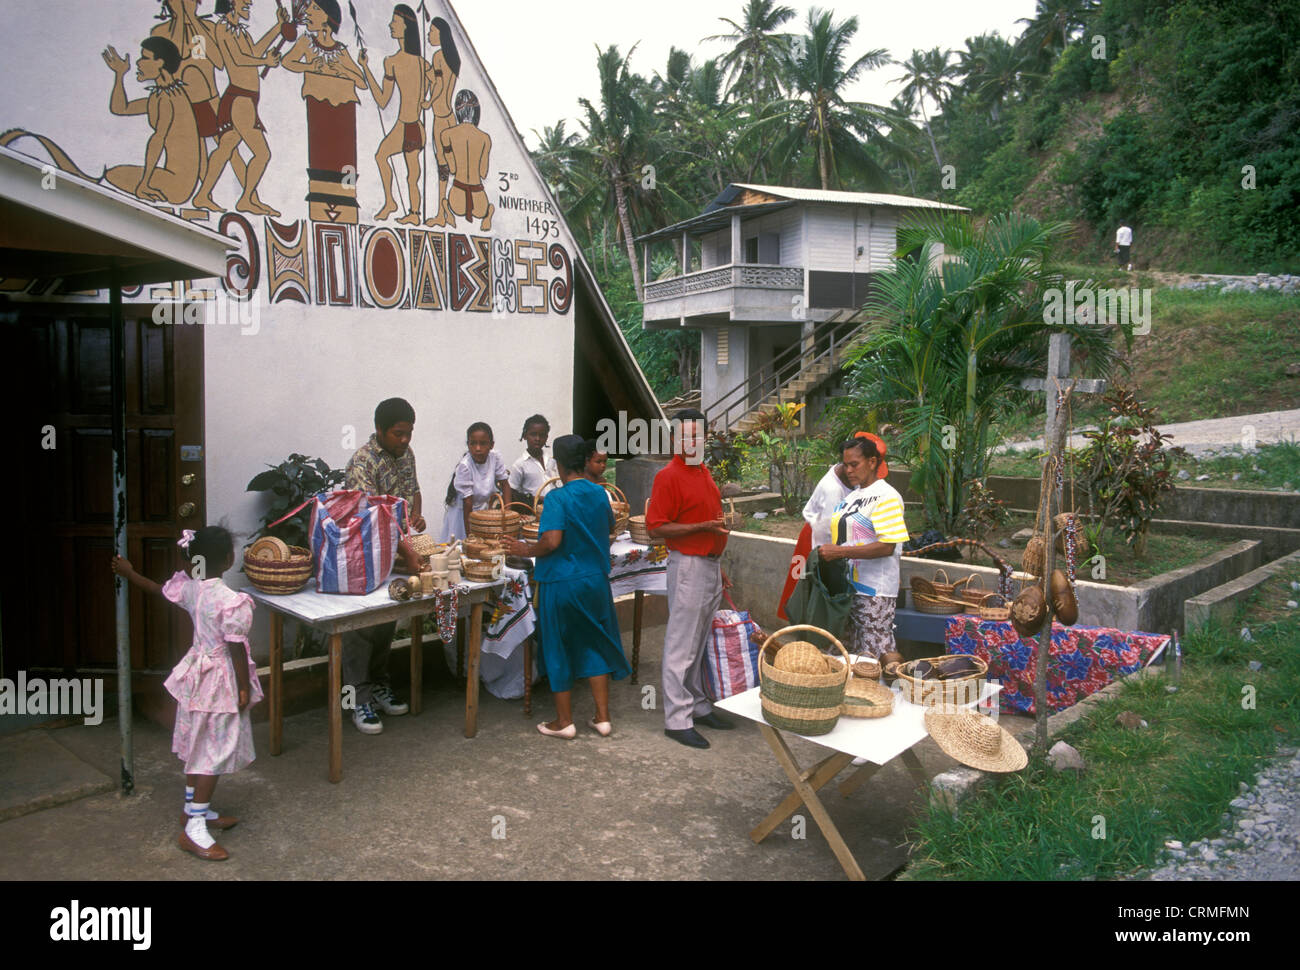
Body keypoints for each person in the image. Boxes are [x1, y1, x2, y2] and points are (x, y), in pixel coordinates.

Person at [112, 526, 260, 861]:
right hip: (219, 681)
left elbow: (156, 589)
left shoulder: (192, 590)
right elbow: (236, 650)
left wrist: (129, 572)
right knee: (214, 751)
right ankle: (194, 827)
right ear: (229, 559)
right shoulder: (230, 602)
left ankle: (193, 807)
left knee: (199, 743)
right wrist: (241, 686)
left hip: (196, 677)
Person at [503, 436, 630, 739]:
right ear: (586, 461)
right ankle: (602, 717)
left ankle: (564, 722)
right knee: (594, 642)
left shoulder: (557, 498)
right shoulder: (600, 494)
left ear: (557, 464)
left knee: (558, 646)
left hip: (562, 582)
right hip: (595, 581)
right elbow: (610, 528)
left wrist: (523, 549)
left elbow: (551, 542)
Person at [646, 409, 734, 749]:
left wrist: (717, 564)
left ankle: (697, 706)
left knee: (698, 644)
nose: (693, 441)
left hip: (708, 565)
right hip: (688, 566)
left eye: (698, 436)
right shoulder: (669, 475)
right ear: (674, 439)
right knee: (682, 644)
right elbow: (656, 527)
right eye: (686, 436)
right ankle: (676, 719)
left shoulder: (703, 472)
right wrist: (701, 530)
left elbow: (710, 524)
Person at [341, 397, 425, 734]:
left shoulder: (406, 454)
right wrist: (411, 553)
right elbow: (378, 517)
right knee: (360, 626)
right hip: (362, 555)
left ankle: (377, 683)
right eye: (398, 434)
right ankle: (356, 699)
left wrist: (416, 515)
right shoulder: (362, 463)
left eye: (409, 433)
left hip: (393, 553)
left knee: (386, 620)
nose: (404, 440)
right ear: (379, 430)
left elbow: (413, 492)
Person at [778, 432, 889, 620]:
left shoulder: (849, 474)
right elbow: (828, 538)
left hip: (830, 538)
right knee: (810, 594)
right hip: (817, 540)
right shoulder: (833, 491)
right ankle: (808, 634)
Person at [191, 0, 285, 216]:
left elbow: (254, 51)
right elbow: (237, 59)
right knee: (262, 153)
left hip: (246, 97)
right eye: (245, 1)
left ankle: (202, 195)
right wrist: (264, 61)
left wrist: (277, 28)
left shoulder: (239, 31)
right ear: (231, 2)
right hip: (240, 99)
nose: (249, 4)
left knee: (225, 148)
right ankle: (246, 199)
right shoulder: (223, 28)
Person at [820, 437, 910, 660]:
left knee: (875, 655)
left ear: (872, 462)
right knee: (843, 654)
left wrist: (839, 552)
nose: (848, 470)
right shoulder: (852, 497)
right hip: (847, 590)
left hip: (873, 592)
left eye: (854, 464)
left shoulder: (886, 496)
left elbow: (887, 546)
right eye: (845, 465)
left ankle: (883, 694)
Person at [280, 0, 366, 224]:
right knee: (321, 158)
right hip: (319, 108)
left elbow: (362, 82)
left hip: (344, 112)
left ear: (328, 16)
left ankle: (346, 206)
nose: (308, 12)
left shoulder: (340, 51)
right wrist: (311, 67)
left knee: (346, 161)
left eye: (315, 8)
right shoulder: (307, 42)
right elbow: (287, 61)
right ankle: (321, 208)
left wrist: (343, 70)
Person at [101, 37, 201, 204]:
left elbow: (158, 139)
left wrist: (144, 184)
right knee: (114, 174)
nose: (139, 63)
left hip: (178, 187)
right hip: (173, 179)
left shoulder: (169, 98)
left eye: (145, 58)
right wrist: (119, 75)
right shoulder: (160, 94)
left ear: (160, 63)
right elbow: (121, 109)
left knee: (113, 175)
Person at [358, 4, 424, 225]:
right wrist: (366, 69)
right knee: (385, 158)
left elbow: (382, 100)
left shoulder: (410, 63)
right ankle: (397, 205)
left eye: (395, 22)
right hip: (405, 124)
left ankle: (409, 210)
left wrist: (430, 100)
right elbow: (383, 100)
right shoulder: (395, 62)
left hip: (410, 124)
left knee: (410, 173)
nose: (390, 25)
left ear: (406, 27)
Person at [440, 421, 511, 541]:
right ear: (468, 445)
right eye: (473, 444)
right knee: (465, 548)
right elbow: (468, 503)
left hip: (481, 513)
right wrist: (470, 536)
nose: (478, 448)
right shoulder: (465, 467)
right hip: (463, 515)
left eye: (483, 444)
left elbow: (505, 485)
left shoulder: (495, 457)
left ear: (491, 445)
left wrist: (508, 516)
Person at [421, 16, 460, 228]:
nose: (429, 34)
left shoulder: (438, 56)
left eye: (432, 31)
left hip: (440, 118)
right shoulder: (453, 58)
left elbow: (438, 85)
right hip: (449, 117)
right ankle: (445, 209)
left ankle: (442, 211)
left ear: (441, 34)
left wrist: (428, 102)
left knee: (443, 166)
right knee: (448, 167)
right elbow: (441, 81)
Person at [507, 414, 557, 509]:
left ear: (546, 437)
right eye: (533, 434)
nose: (537, 439)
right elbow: (512, 492)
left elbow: (554, 484)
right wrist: (535, 499)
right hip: (532, 512)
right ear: (525, 436)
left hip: (553, 509)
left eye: (541, 435)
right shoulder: (520, 464)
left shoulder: (551, 460)